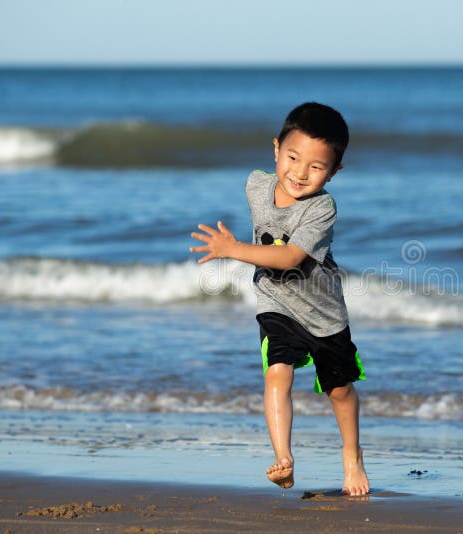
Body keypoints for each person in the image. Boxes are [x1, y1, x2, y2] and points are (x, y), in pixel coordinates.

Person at [189, 102, 369, 496]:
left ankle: (352, 455)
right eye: (292, 157)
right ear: (276, 149)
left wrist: (232, 249)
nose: (300, 173)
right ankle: (283, 458)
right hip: (275, 303)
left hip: (323, 314)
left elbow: (289, 256)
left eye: (316, 167)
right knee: (277, 371)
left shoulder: (322, 208)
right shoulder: (256, 184)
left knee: (339, 390)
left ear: (335, 172)